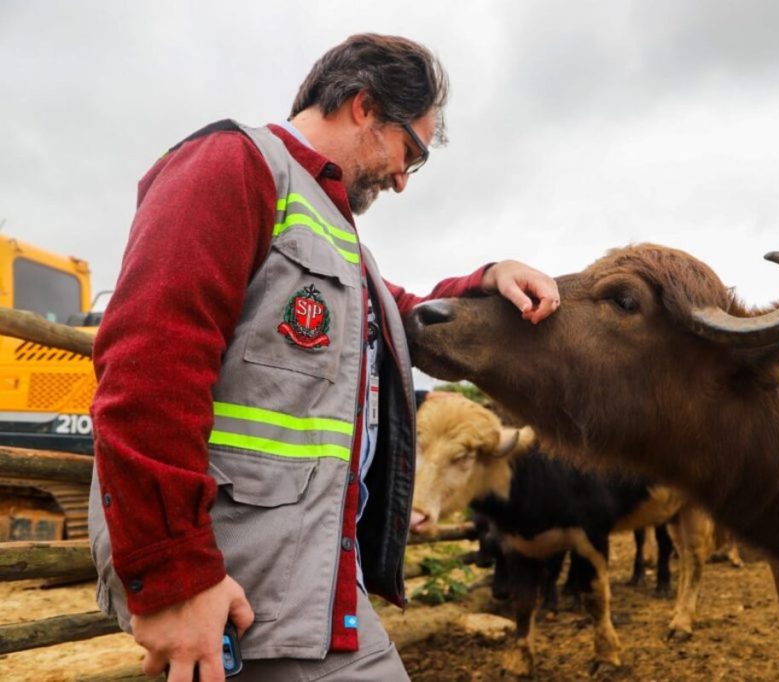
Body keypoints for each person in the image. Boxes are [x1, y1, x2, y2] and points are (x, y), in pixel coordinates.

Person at [87, 34, 560, 682]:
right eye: (411, 152)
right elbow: (146, 371)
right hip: (232, 572)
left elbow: (405, 315)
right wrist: (174, 574)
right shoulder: (234, 165)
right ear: (364, 105)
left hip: (302, 577)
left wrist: (488, 278)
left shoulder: (336, 237)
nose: (401, 178)